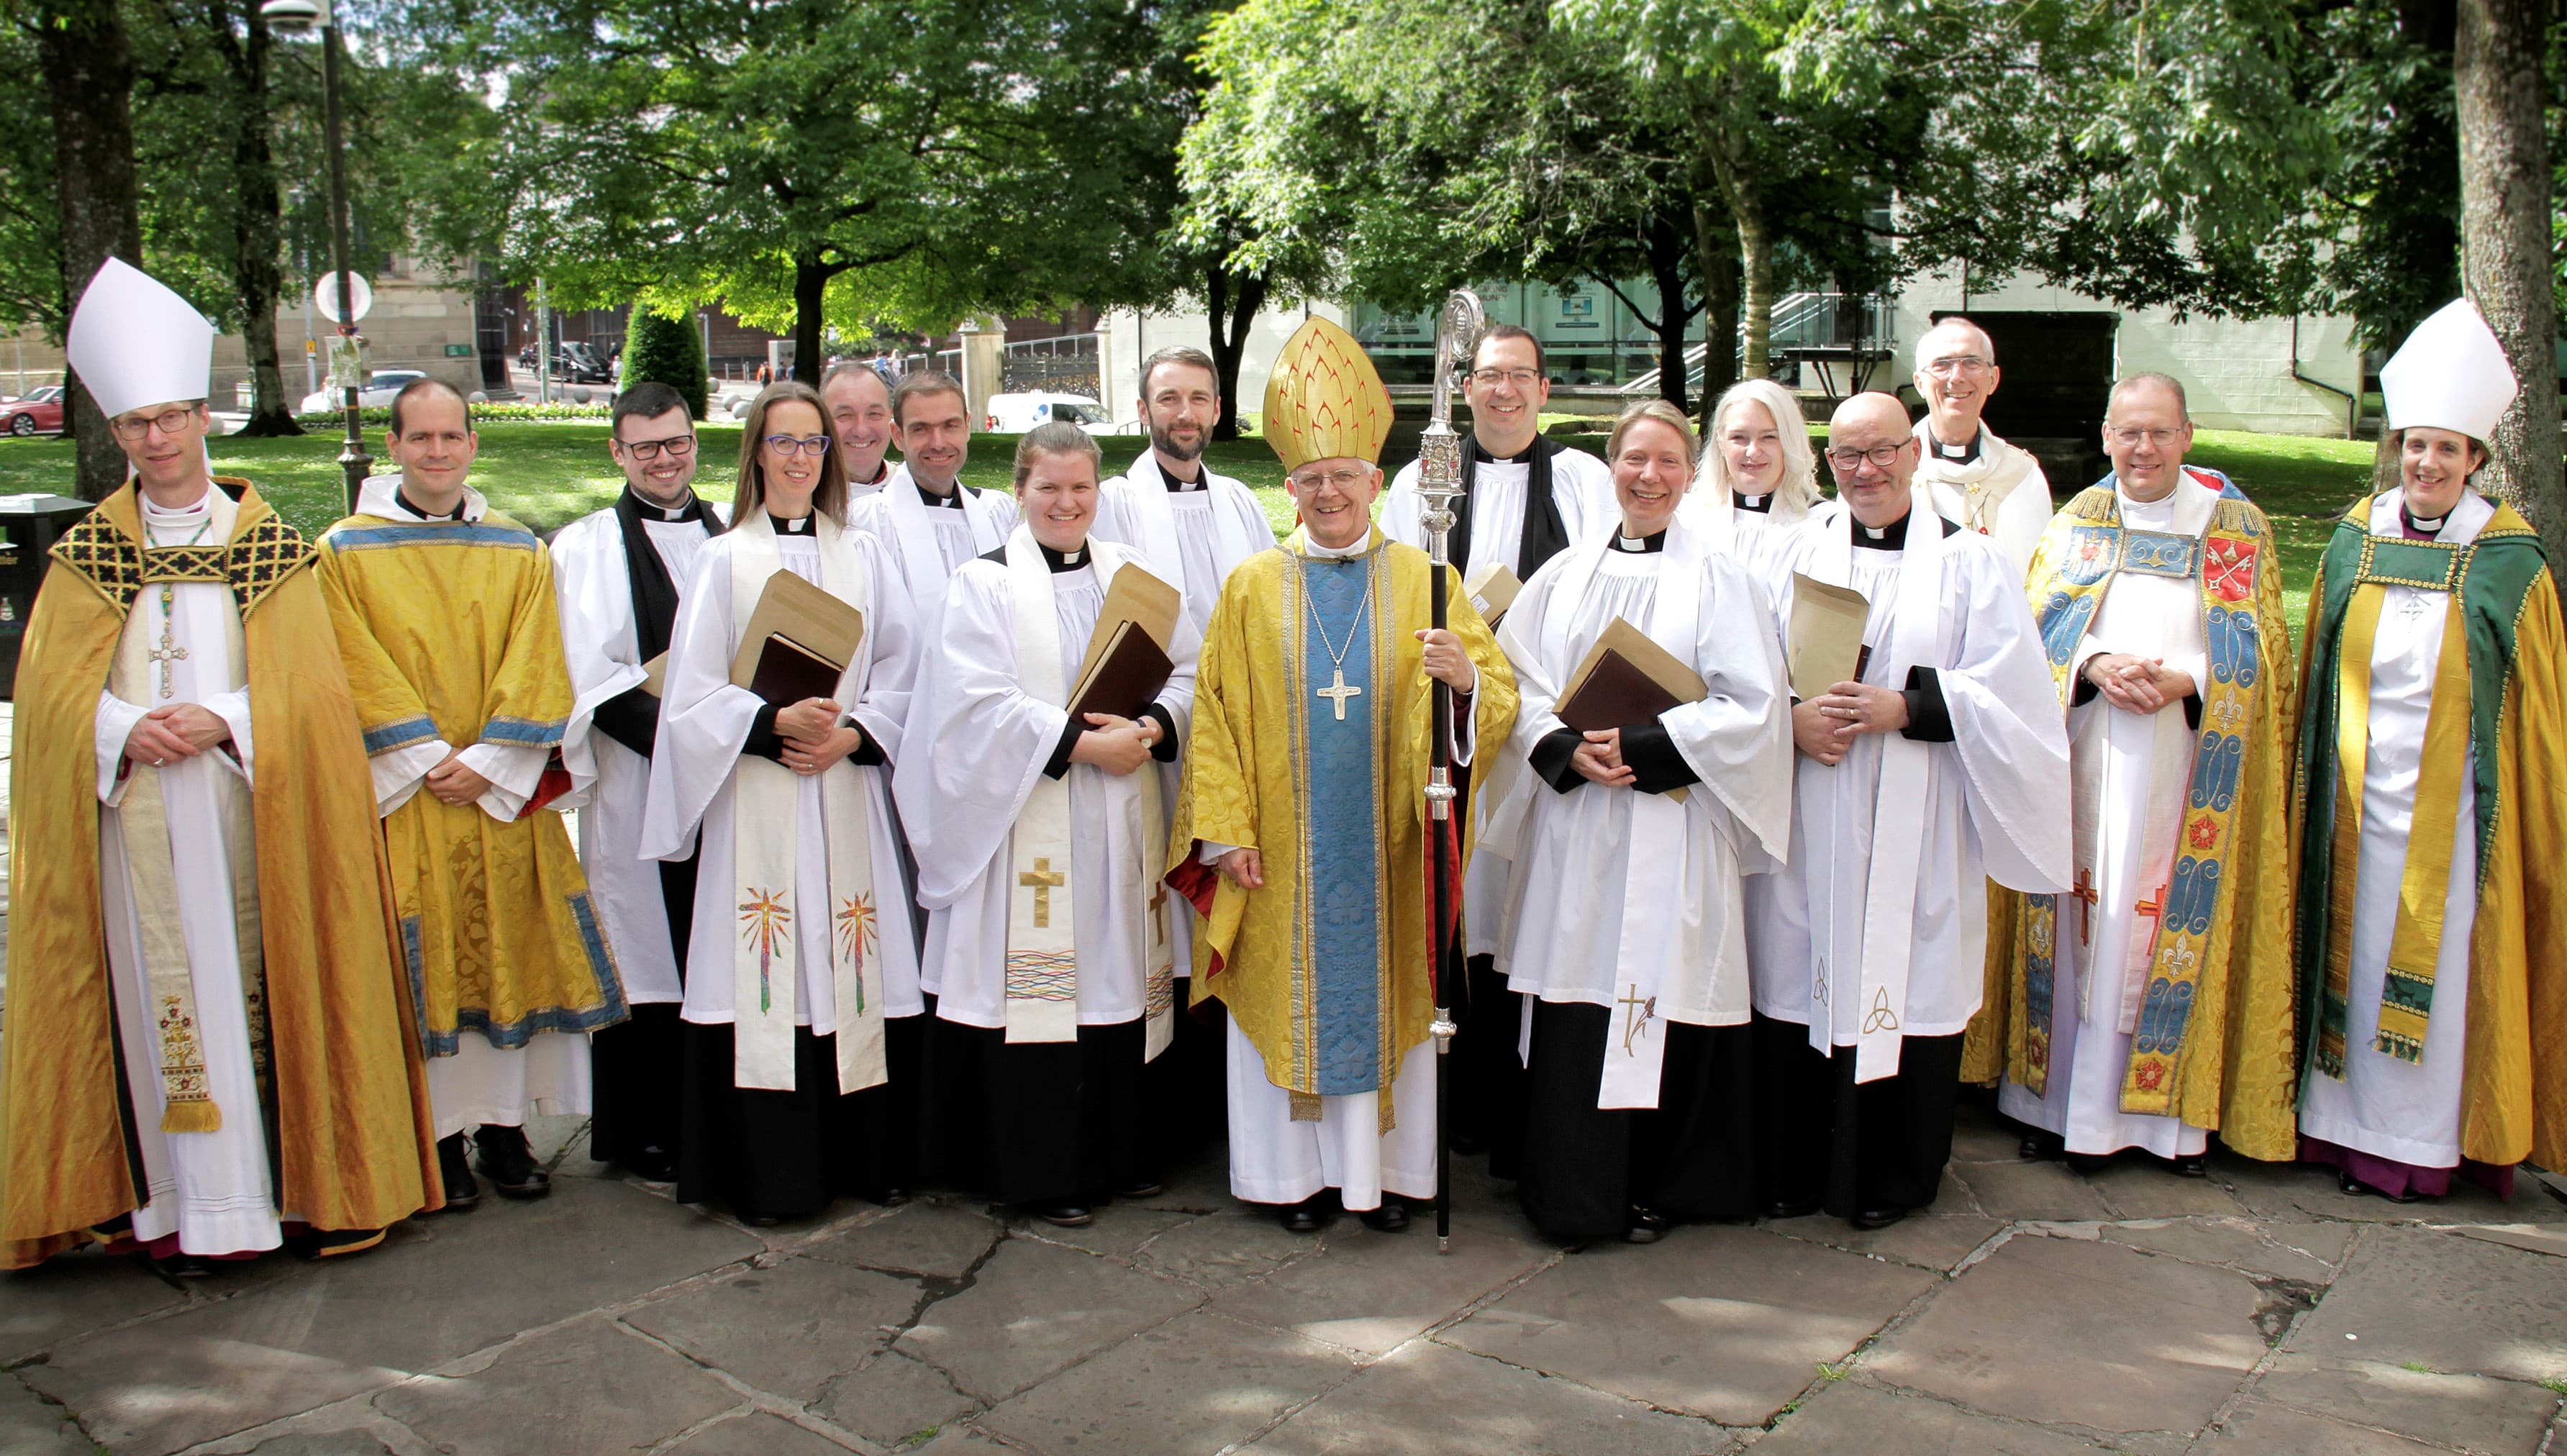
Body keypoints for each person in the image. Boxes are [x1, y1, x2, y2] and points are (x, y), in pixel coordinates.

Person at [2, 258, 438, 1271]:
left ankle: (264, 1198)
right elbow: (49, 700)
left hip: (248, 817)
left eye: (170, 418)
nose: (154, 440)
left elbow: (320, 697)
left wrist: (226, 719)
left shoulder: (270, 550)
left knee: (251, 977)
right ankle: (166, 1207)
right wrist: (117, 728)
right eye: (133, 425)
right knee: (153, 996)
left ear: (205, 418)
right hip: (133, 825)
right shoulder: (86, 560)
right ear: (116, 435)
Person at [1170, 317, 1517, 1233]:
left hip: (1391, 841)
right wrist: (1226, 831)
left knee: (1387, 987)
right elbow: (1215, 716)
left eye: (1345, 476)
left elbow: (1499, 696)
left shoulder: (1425, 577)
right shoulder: (1250, 585)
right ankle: (1294, 1182)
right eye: (1312, 478)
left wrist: (1464, 680)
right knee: (1287, 989)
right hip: (1279, 851)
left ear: (1375, 481)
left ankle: (1386, 1181)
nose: (1330, 491)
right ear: (1289, 487)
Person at [1751, 391, 2069, 1230]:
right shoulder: (1790, 553)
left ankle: (1891, 1173)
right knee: (1795, 968)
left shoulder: (1973, 562)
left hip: (1919, 813)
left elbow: (2014, 694)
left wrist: (1911, 708)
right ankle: (1791, 1165)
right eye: (1848, 455)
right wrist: (1786, 715)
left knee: (1910, 970)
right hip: (1810, 808)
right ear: (1827, 464)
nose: (1866, 470)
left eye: (1882, 450)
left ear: (1914, 452)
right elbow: (1743, 665)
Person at [1972, 375, 2299, 1176]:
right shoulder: (2081, 519)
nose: (2142, 449)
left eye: (2158, 433)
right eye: (2127, 433)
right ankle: (2052, 1108)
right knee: (2080, 919)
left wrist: (2190, 677)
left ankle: (2164, 1123)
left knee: (2154, 926)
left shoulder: (2232, 526)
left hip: (2186, 769)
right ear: (2107, 435)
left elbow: (2261, 647)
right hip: (2083, 753)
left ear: (2187, 435)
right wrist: (2096, 661)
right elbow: (2035, 634)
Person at [1484, 400, 1792, 1245]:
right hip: (1577, 824)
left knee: (1663, 984)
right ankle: (1568, 1187)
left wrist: (1650, 747)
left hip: (1671, 819)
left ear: (1691, 475)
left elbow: (1754, 705)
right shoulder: (1563, 573)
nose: (1648, 476)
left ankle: (1658, 1181)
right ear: (1611, 466)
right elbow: (1515, 681)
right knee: (1576, 982)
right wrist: (1560, 744)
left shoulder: (1721, 577)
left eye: (1666, 462)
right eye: (1633, 459)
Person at [316, 377, 627, 1211]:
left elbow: (540, 656)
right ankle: (436, 1137)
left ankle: (502, 1129)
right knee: (426, 960)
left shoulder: (518, 549)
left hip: (496, 793)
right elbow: (347, 662)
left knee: (509, 955)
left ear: (471, 444)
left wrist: (492, 757)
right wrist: (423, 757)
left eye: (452, 436)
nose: (439, 452)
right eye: (421, 439)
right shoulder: (343, 550)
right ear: (393, 446)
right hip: (409, 797)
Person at [2291, 299, 2567, 1201]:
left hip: (2456, 819)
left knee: (2437, 984)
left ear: (2476, 460)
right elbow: (2318, 661)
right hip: (2349, 803)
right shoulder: (2352, 539)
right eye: (2415, 444)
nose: (2427, 463)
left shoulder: (2508, 561)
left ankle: (2417, 1146)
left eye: (2448, 449)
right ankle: (2334, 1132)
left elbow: (2534, 711)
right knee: (2352, 954)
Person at [639, 382, 925, 1225]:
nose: (800, 457)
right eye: (783, 441)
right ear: (756, 453)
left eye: (814, 442)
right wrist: (767, 721)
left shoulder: (865, 554)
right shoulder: (722, 560)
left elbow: (910, 675)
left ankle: (869, 1159)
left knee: (853, 967)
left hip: (842, 787)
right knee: (772, 980)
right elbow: (688, 698)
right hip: (760, 795)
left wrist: (855, 733)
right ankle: (774, 1175)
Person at [899, 422, 1200, 1227]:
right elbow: (973, 703)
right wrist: (1078, 742)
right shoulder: (983, 584)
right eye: (1048, 489)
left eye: (1080, 489)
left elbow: (1190, 672)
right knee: (1044, 994)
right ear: (1020, 490)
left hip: (1118, 820)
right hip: (1029, 823)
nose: (1066, 504)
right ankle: (1040, 1169)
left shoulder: (1133, 582)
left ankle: (1123, 1153)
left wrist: (1152, 730)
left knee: (1112, 984)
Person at [1381, 324, 1612, 1165]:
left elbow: (1610, 585)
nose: (1504, 391)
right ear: (1465, 388)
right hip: (1457, 726)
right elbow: (1399, 579)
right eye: (1487, 377)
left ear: (1545, 390)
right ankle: (1456, 1099)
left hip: (1549, 719)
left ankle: (1529, 1101)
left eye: (1520, 377)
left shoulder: (1586, 480)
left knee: (1537, 907)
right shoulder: (1421, 478)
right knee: (1460, 902)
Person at [1089, 345, 1280, 1153]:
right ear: (1145, 410)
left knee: (1228, 908)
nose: (1185, 414)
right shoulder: (1107, 502)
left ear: (1215, 409)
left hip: (1238, 741)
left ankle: (1227, 1096)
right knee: (1160, 912)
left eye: (1199, 399)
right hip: (1152, 742)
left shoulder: (1240, 500)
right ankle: (1164, 1107)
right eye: (1169, 399)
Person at [550, 382, 726, 1183]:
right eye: (646, 446)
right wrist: (693, 745)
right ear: (617, 453)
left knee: (718, 943)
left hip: (725, 785)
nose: (665, 459)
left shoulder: (732, 534)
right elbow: (590, 679)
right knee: (647, 952)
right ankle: (649, 1126)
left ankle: (719, 1115)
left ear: (696, 442)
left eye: (677, 442)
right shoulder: (585, 547)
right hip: (640, 779)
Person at [846, 371, 1019, 629]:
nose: (938, 443)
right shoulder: (866, 523)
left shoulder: (999, 513)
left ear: (967, 425)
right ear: (897, 435)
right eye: (921, 429)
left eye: (950, 426)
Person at [1908, 317, 2051, 581]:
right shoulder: (1887, 469)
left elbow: (2039, 580)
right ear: (1919, 383)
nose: (1957, 377)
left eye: (1971, 363)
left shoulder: (2022, 476)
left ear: (1993, 379)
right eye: (1942, 364)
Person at [1685, 378, 1838, 581]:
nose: (1753, 451)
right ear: (1720, 441)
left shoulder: (1823, 525)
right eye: (1739, 437)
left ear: (1789, 441)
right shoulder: (1688, 518)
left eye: (1769, 437)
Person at [821, 360, 899, 499]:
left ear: (891, 418)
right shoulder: (801, 498)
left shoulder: (915, 490)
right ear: (821, 421)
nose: (861, 430)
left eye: (874, 414)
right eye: (845, 415)